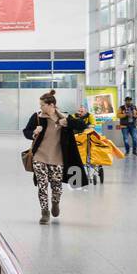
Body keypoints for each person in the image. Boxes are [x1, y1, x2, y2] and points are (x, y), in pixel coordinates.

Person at [24, 90, 89, 225]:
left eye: (43, 105)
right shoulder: (37, 117)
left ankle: (55, 203)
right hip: (39, 157)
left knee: (56, 186)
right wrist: (33, 133)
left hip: (58, 158)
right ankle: (44, 212)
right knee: (42, 186)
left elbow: (83, 126)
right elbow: (26, 131)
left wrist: (68, 123)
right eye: (40, 105)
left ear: (51, 105)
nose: (40, 107)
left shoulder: (64, 117)